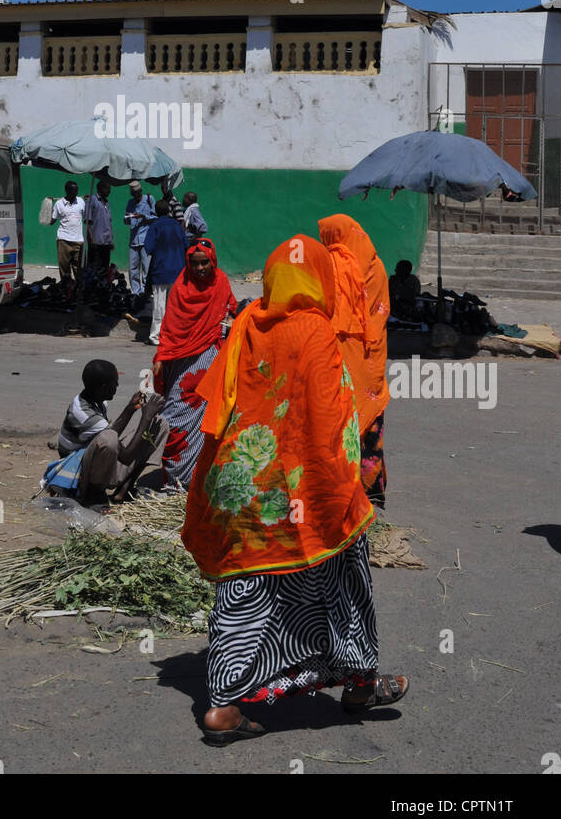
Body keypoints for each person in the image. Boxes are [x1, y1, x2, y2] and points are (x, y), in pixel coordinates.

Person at [181, 237, 409, 746]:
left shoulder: (245, 322)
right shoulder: (317, 331)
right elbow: (332, 419)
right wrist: (346, 486)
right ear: (322, 282)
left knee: (244, 594)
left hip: (241, 485)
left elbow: (220, 406)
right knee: (345, 576)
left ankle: (221, 707)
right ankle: (358, 685)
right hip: (304, 490)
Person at [319, 215, 391, 508]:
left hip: (340, 358)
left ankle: (343, 498)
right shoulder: (377, 266)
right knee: (369, 421)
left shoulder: (332, 265)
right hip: (371, 358)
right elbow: (382, 310)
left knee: (338, 426)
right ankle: (371, 491)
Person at [152, 237, 237, 489]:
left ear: (213, 262)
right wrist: (161, 355)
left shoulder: (221, 282)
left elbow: (230, 310)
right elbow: (170, 326)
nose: (200, 268)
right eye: (195, 263)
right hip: (179, 362)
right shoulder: (181, 286)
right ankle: (175, 478)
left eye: (204, 263)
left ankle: (195, 480)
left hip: (209, 358)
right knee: (174, 418)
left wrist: (232, 321)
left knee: (206, 422)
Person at [57, 359, 168, 505]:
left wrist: (130, 409)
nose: (117, 386)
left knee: (160, 425)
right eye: (114, 382)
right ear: (103, 387)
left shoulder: (97, 401)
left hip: (94, 462)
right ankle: (94, 495)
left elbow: (110, 432)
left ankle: (124, 490)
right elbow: (125, 456)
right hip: (77, 473)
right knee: (109, 439)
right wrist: (146, 418)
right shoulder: (84, 413)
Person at [143, 202, 188, 345]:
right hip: (178, 271)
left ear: (156, 211)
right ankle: (173, 335)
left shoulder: (155, 226)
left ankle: (155, 336)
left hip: (160, 270)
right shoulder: (177, 226)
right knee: (174, 306)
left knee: (159, 306)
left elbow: (148, 247)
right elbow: (186, 245)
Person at [123, 180, 156, 296]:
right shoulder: (130, 203)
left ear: (140, 191)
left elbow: (155, 217)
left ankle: (145, 292)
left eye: (137, 193)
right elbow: (126, 220)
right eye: (133, 194)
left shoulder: (149, 199)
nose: (135, 196)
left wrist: (143, 216)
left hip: (145, 239)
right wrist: (127, 218)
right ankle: (136, 292)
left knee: (146, 268)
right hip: (133, 240)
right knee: (133, 268)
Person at [50, 180, 86, 283]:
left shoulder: (81, 201)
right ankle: (66, 291)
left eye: (77, 191)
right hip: (63, 240)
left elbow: (86, 218)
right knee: (65, 270)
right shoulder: (59, 204)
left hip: (78, 241)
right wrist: (48, 208)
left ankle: (79, 292)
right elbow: (52, 221)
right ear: (67, 191)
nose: (76, 193)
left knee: (79, 269)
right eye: (74, 191)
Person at [84, 177, 114, 277]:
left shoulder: (107, 202)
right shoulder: (92, 200)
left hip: (106, 243)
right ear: (101, 189)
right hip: (96, 243)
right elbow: (87, 222)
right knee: (94, 270)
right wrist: (92, 240)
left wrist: (111, 241)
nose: (109, 191)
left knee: (104, 270)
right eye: (108, 188)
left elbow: (108, 223)